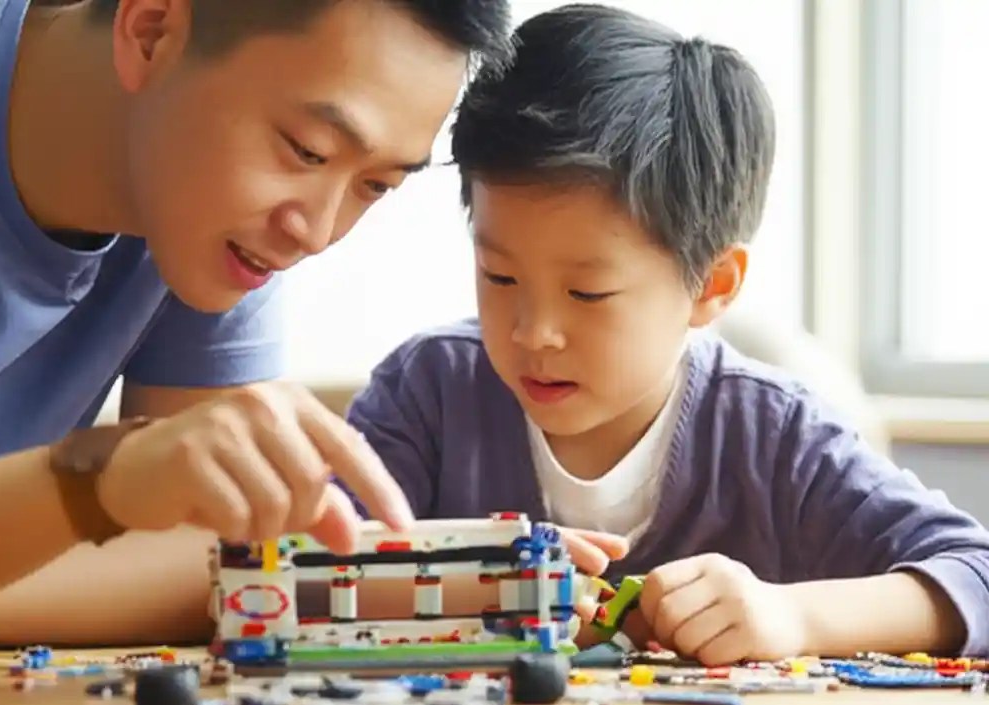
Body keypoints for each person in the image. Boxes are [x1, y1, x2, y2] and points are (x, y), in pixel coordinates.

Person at [0, 0, 520, 663]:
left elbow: (209, 564)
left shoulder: (213, 217)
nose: (315, 230)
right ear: (153, 29)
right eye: (306, 150)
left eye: (374, 185)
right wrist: (95, 485)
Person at [342, 3, 989, 664]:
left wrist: (795, 615)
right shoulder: (430, 394)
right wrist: (476, 585)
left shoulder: (774, 436)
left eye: (587, 292)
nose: (534, 333)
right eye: (499, 276)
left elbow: (978, 574)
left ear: (711, 285)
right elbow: (276, 584)